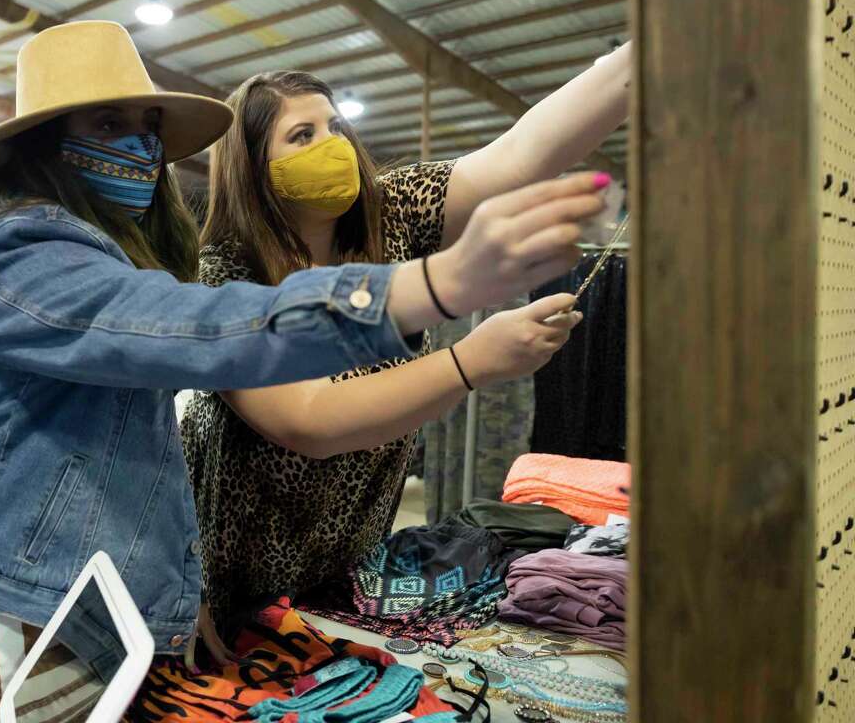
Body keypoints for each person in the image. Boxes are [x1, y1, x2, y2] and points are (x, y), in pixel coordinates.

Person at [0, 20, 607, 720]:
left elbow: (138, 461)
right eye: (108, 125)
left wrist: (176, 588)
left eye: (149, 127)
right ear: (43, 146)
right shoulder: (18, 253)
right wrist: (435, 292)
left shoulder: (100, 255)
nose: (140, 148)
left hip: (67, 607)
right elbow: (208, 333)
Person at [181, 54, 630, 650]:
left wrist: (638, 58)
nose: (333, 144)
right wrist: (472, 361)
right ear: (252, 168)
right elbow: (306, 418)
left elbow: (521, 154)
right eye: (303, 136)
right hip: (226, 582)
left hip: (345, 569)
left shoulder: (392, 216)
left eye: (336, 126)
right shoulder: (228, 277)